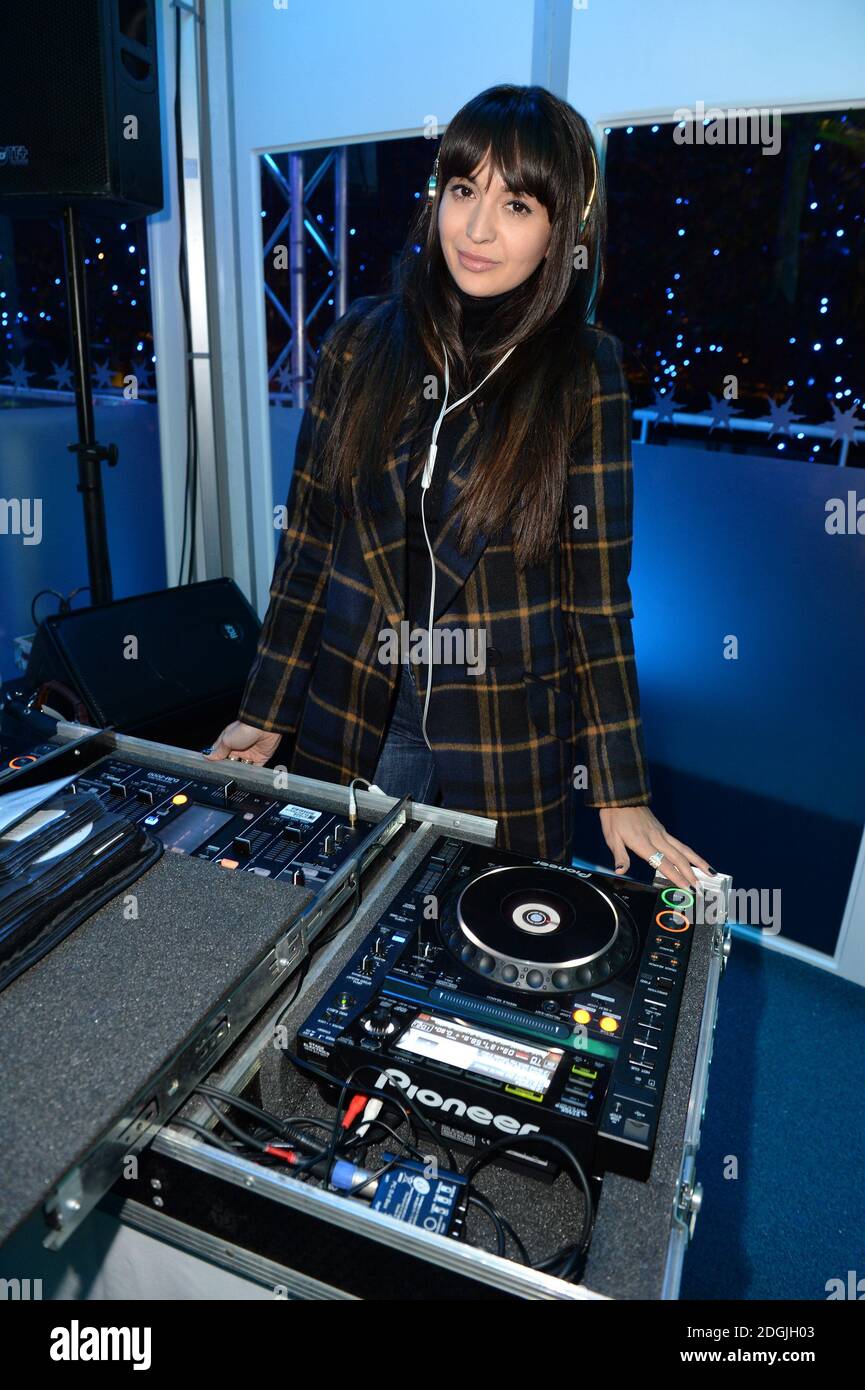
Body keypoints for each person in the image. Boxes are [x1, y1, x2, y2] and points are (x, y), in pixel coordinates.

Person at [207, 84, 714, 891]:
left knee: (492, 937)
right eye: (462, 190)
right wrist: (266, 711)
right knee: (344, 915)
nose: (476, 229)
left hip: (506, 722)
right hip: (363, 705)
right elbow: (306, 549)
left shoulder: (585, 374)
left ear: (563, 230)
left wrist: (618, 789)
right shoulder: (358, 347)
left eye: (516, 204)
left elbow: (596, 598)